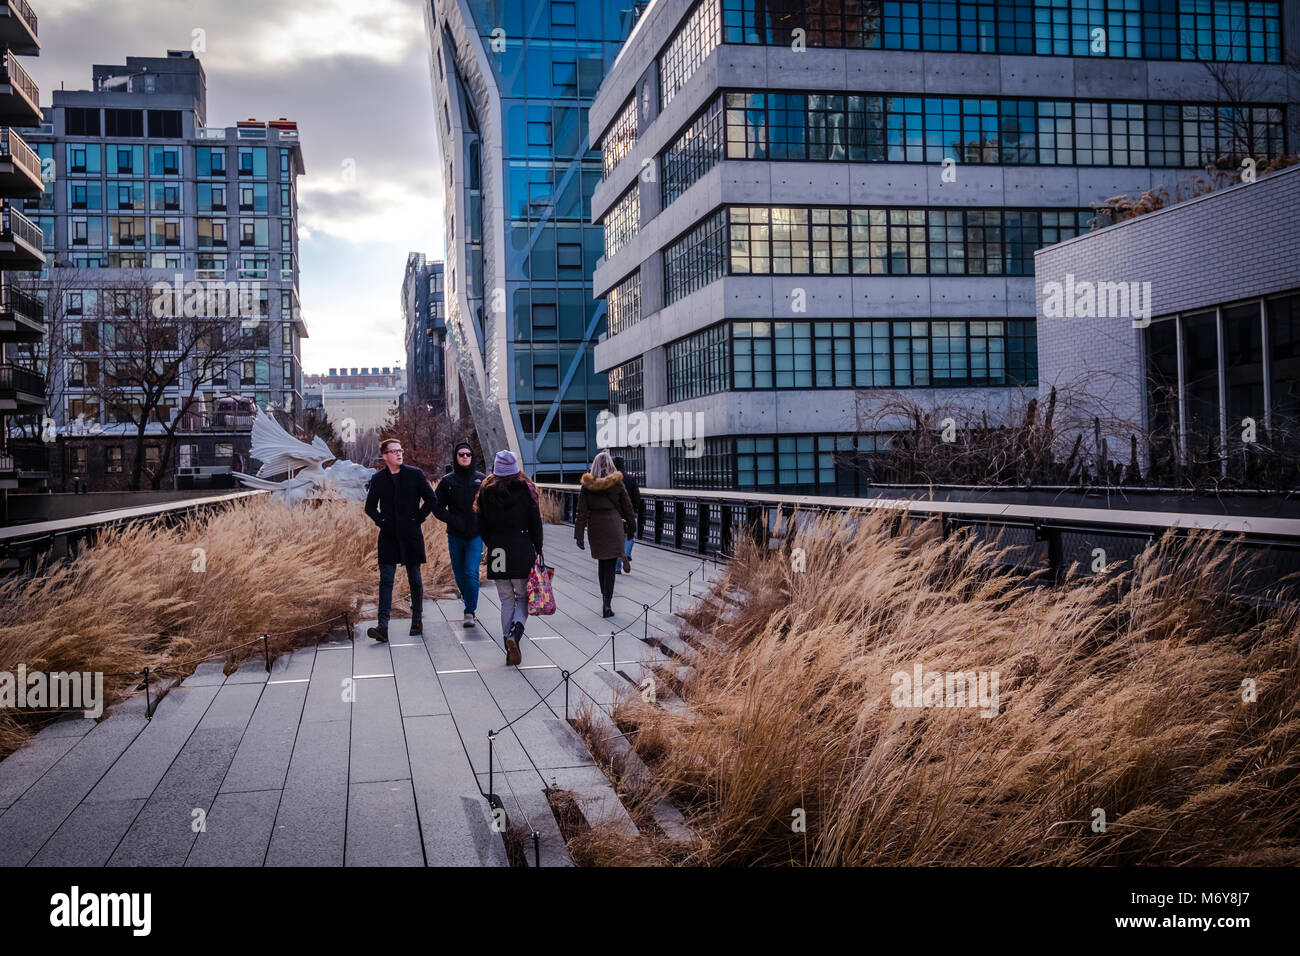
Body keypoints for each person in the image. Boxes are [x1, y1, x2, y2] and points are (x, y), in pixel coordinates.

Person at [363, 438, 437, 643]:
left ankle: (416, 620)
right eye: (394, 451)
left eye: (400, 450)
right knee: (386, 579)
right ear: (385, 456)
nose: (399, 454)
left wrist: (417, 518)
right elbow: (369, 507)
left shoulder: (415, 474)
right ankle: (383, 626)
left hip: (410, 533)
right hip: (388, 535)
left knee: (414, 578)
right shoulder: (378, 478)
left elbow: (431, 500)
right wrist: (382, 521)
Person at [474, 450, 543, 666]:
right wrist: (538, 546)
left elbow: (481, 524)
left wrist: (492, 541)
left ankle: (507, 641)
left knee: (505, 599)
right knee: (522, 597)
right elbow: (535, 522)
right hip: (521, 547)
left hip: (497, 549)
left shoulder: (486, 491)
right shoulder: (525, 489)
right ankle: (515, 634)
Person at [574, 450, 636, 618]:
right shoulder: (617, 483)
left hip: (596, 525)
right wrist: (632, 527)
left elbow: (581, 511)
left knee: (602, 563)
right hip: (613, 523)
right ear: (610, 465)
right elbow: (627, 507)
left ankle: (604, 598)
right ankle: (607, 603)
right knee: (610, 564)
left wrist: (579, 535)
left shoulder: (587, 485)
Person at [431, 441, 484, 628]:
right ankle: (468, 595)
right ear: (455, 457)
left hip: (476, 535)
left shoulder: (481, 480)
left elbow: (490, 506)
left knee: (471, 573)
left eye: (468, 454)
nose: (464, 457)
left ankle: (470, 611)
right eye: (461, 454)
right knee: (460, 575)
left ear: (472, 457)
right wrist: (452, 519)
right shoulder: (448, 481)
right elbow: (436, 507)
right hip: (455, 535)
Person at [611, 455, 642, 574]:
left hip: (614, 513)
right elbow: (637, 497)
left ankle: (617, 568)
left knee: (616, 539)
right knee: (630, 534)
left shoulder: (611, 479)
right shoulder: (630, 478)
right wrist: (634, 509)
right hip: (628, 512)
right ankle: (627, 553)